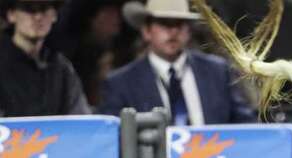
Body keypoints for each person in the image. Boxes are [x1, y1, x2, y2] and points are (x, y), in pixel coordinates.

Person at [98, 0, 254, 125]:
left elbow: (245, 124)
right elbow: (111, 137)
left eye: (179, 23)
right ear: (146, 31)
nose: (173, 31)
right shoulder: (122, 83)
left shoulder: (218, 72)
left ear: (188, 31)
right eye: (164, 23)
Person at [0, 0, 88, 117]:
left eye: (44, 9)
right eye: (29, 9)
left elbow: (79, 116)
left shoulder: (61, 67)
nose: (38, 17)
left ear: (54, 16)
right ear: (11, 15)